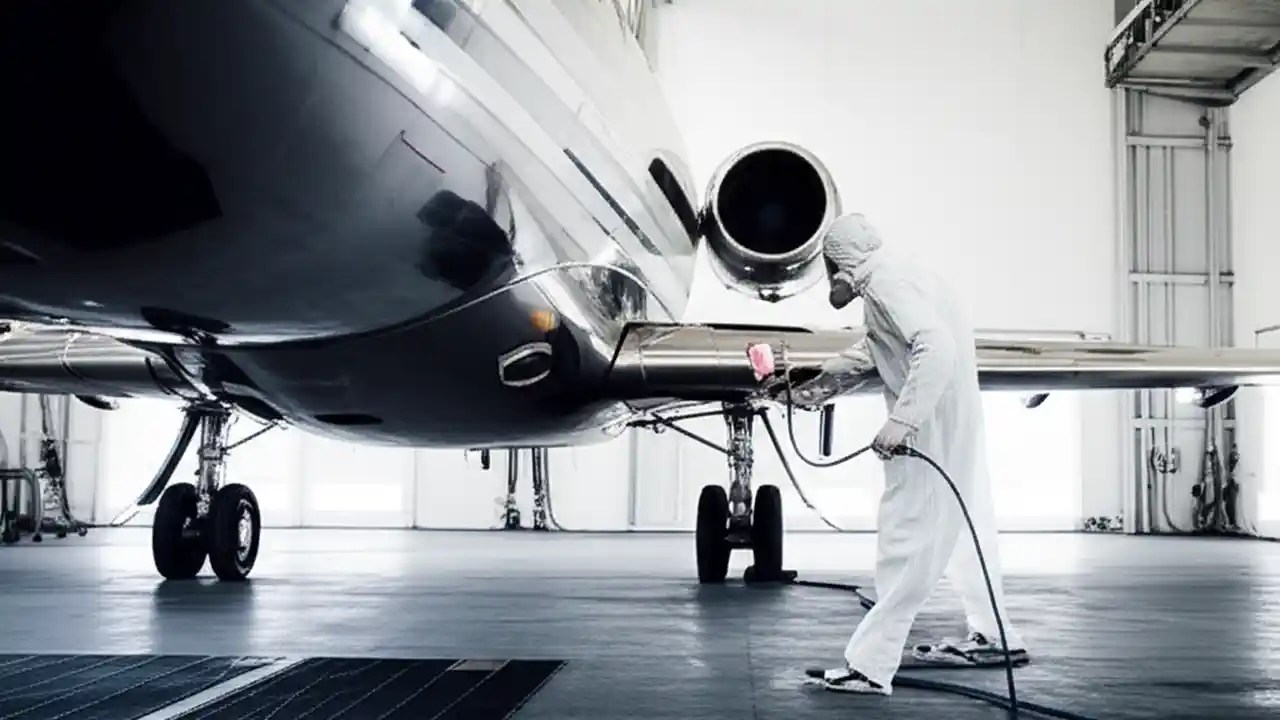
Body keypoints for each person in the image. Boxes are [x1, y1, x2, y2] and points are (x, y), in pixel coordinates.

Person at [782, 213, 1029, 695]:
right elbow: (882, 348)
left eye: (829, 266)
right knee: (963, 530)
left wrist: (903, 420)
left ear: (839, 260)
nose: (830, 279)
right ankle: (994, 634)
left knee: (906, 539)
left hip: (928, 427)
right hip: (956, 419)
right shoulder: (910, 276)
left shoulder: (881, 285)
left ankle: (869, 667)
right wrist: (822, 379)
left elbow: (934, 348)